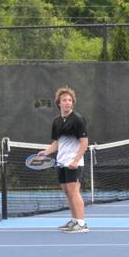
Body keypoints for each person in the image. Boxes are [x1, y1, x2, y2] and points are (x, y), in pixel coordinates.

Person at [40, 86, 89, 233]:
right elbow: (56, 143)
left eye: (69, 100)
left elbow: (84, 142)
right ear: (59, 103)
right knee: (68, 192)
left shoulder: (78, 120)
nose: (67, 102)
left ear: (72, 103)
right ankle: (74, 221)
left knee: (74, 192)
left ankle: (81, 224)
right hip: (61, 162)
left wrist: (76, 160)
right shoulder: (56, 121)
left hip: (74, 163)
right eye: (64, 100)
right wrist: (46, 152)